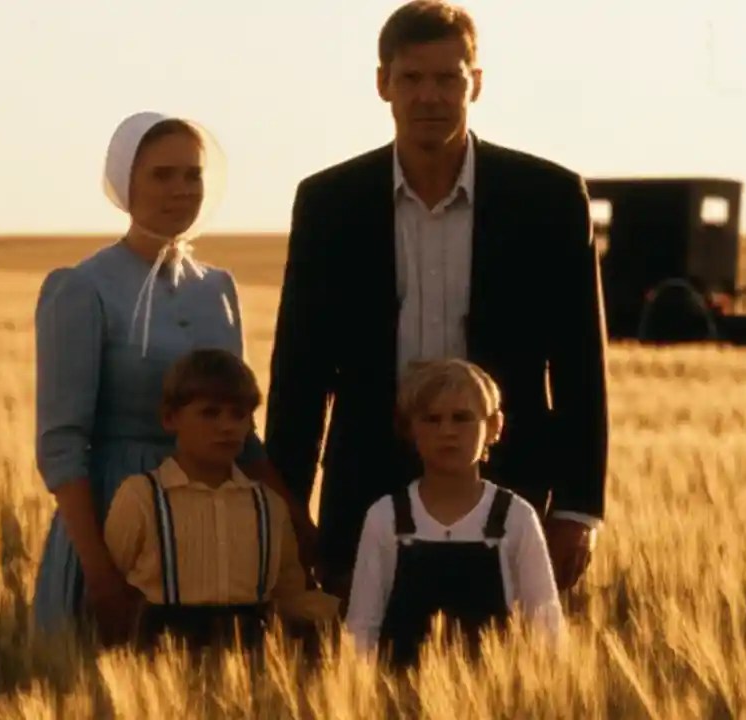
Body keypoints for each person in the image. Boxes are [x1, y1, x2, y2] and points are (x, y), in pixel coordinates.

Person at [265, 0, 610, 602]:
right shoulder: (329, 202)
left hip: (509, 485)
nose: (430, 96)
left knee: (509, 672)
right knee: (364, 672)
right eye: (411, 78)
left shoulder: (549, 199)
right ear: (383, 84)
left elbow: (581, 365)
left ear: (475, 83)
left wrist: (579, 509)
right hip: (366, 487)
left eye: (448, 78)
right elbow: (300, 369)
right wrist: (288, 511)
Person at [32, 111, 316, 642]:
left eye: (193, 175)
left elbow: (242, 428)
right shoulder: (80, 288)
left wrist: (295, 525)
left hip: (215, 517)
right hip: (116, 516)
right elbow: (61, 444)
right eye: (162, 175)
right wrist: (98, 571)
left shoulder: (218, 287)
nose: (181, 189)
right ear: (126, 183)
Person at [102, 349, 340, 654]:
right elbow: (110, 592)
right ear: (170, 418)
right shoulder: (141, 497)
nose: (227, 426)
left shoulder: (268, 506)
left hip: (251, 661)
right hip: (166, 657)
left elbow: (289, 594)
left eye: (238, 415)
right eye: (210, 413)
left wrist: (347, 610)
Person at [344, 359, 565, 668]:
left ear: (493, 427)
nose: (447, 431)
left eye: (462, 418)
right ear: (410, 429)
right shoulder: (386, 518)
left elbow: (545, 625)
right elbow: (362, 627)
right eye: (432, 419)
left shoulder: (515, 517)